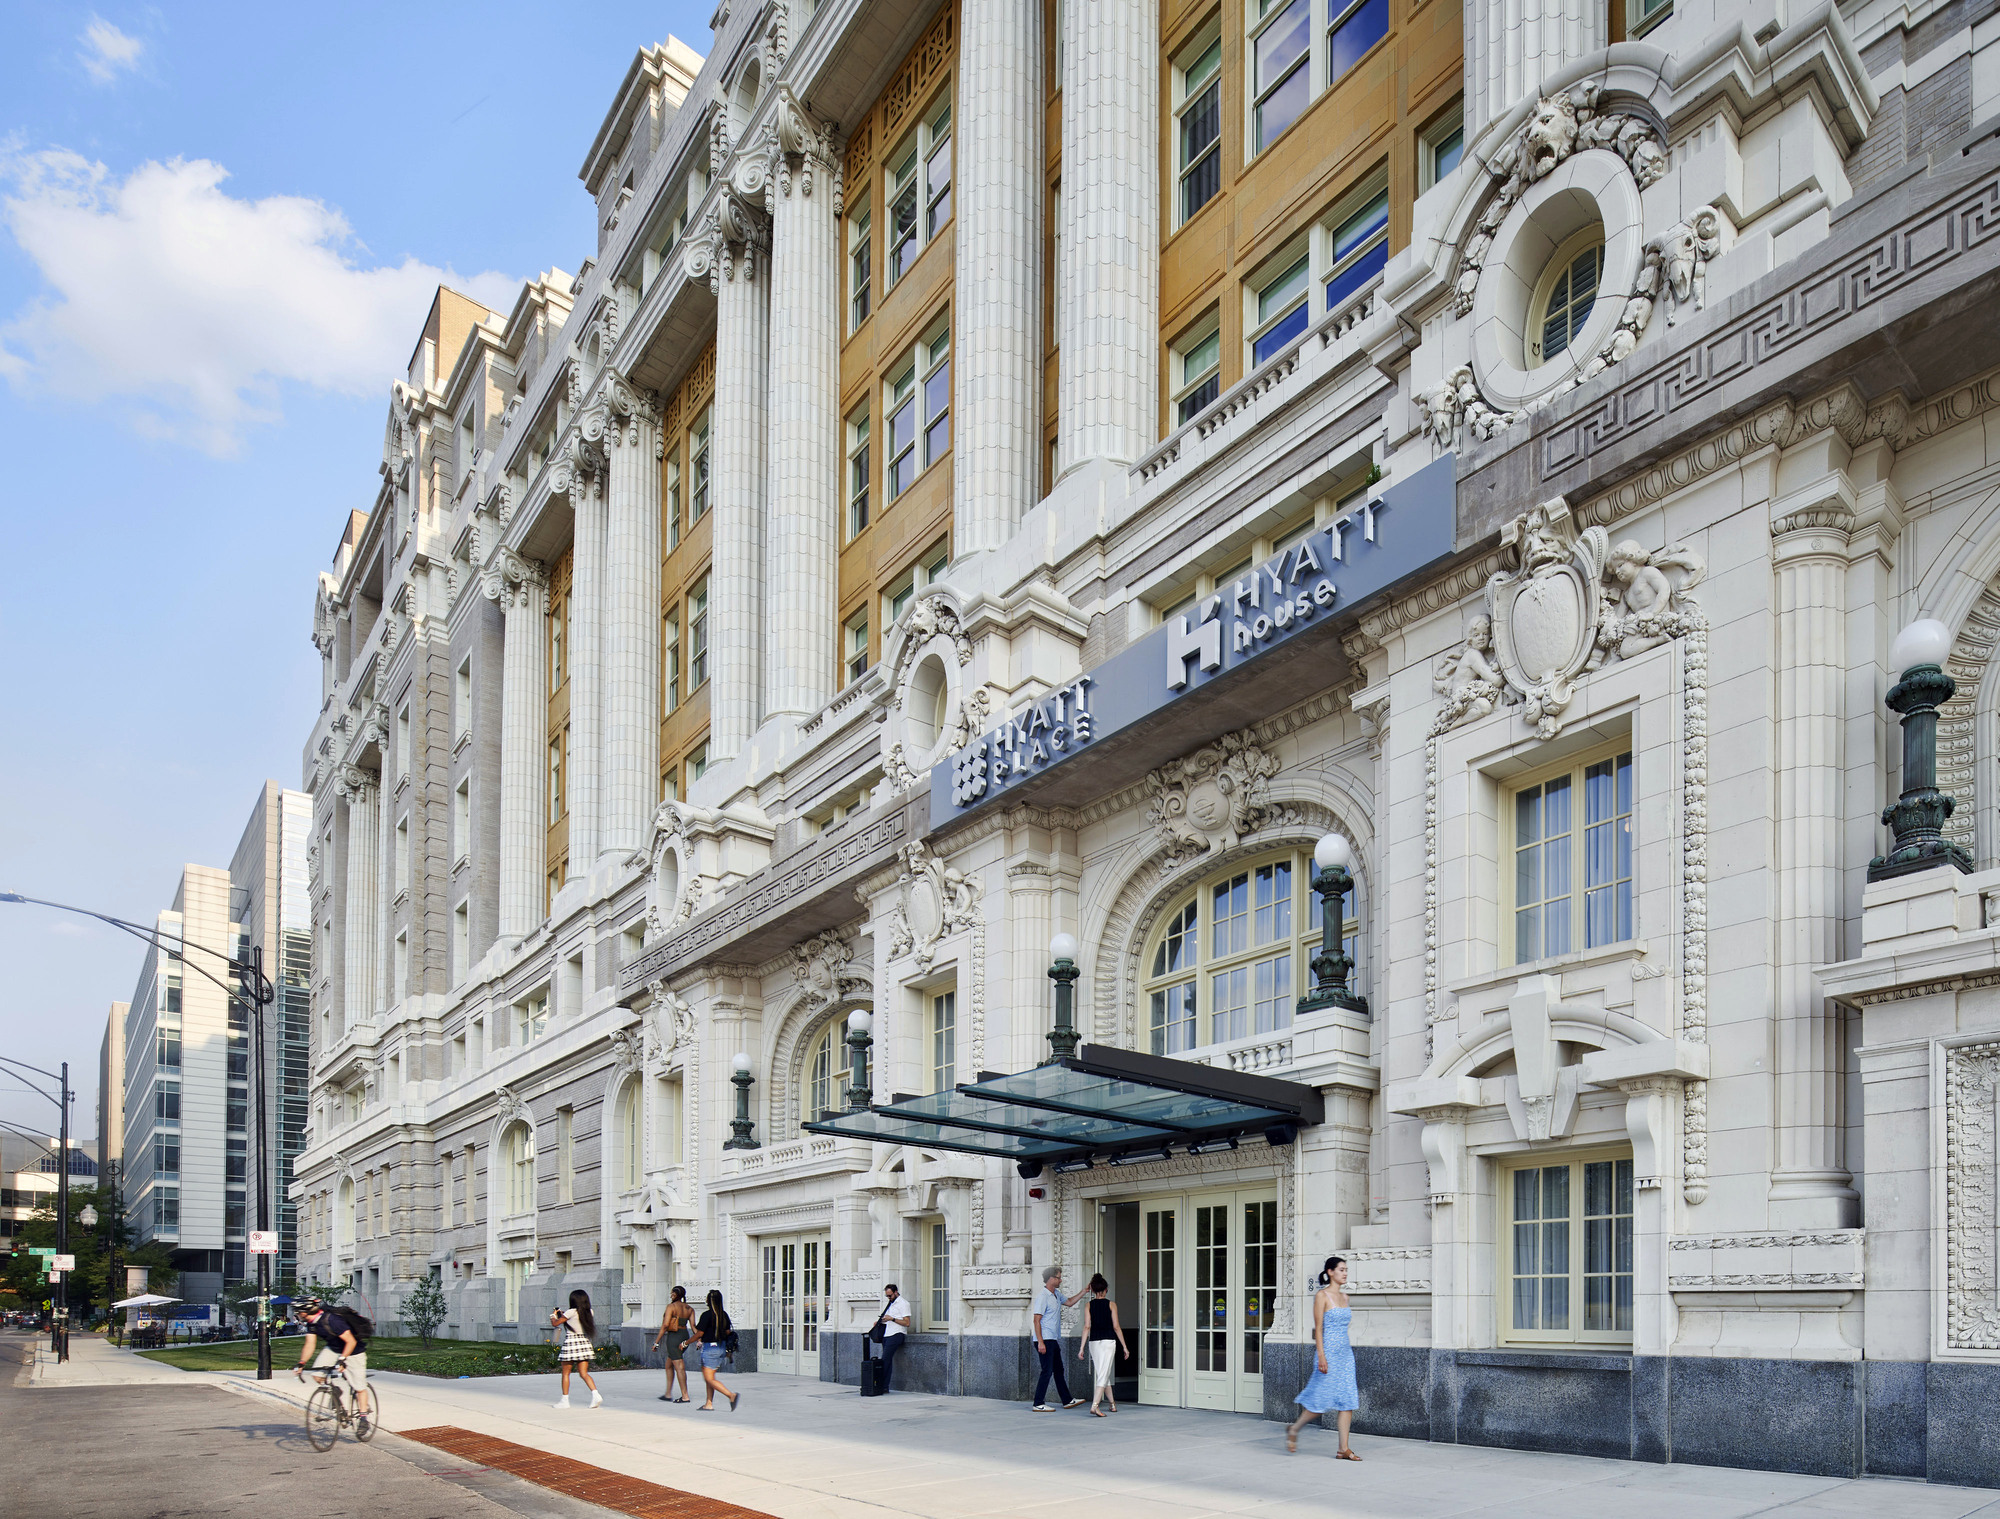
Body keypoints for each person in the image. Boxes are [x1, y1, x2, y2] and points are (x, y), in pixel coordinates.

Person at [1286, 1256, 1360, 1460]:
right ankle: (1294, 1429)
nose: (1345, 1273)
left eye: (1346, 1270)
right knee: (1319, 1402)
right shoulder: (1322, 1296)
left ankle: (1343, 1448)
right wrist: (1321, 1356)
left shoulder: (1345, 1297)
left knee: (1347, 1401)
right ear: (1330, 1272)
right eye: (1341, 1269)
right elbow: (1318, 1329)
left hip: (1345, 1355)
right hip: (1327, 1353)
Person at [291, 1296, 372, 1427]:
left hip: (353, 1351)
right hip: (334, 1348)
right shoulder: (312, 1323)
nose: (297, 1314)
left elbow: (351, 1341)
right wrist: (302, 1362)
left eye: (298, 1312)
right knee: (317, 1375)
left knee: (359, 1386)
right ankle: (335, 1391)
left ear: (306, 1311)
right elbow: (310, 1344)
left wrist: (342, 1360)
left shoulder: (332, 1320)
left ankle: (364, 1419)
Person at [1029, 1267, 1087, 1412]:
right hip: (1044, 1340)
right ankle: (1038, 1403)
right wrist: (1040, 1342)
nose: (1060, 1280)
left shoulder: (1056, 1294)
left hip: (1052, 1339)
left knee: (1059, 1370)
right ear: (1051, 1279)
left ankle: (1067, 1400)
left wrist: (1084, 1291)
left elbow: (1069, 1302)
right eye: (1058, 1277)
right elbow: (1036, 1320)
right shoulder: (1043, 1297)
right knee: (1046, 1371)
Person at [1078, 1274, 1129, 1417]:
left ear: (1093, 1290)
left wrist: (1082, 1347)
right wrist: (1124, 1346)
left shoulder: (1089, 1305)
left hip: (1094, 1342)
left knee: (1102, 1373)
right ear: (1106, 1289)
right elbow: (1116, 1326)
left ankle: (1112, 1404)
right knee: (1103, 1374)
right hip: (1108, 1342)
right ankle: (1095, 1405)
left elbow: (1086, 1327)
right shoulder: (1111, 1304)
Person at [551, 1288, 603, 1409]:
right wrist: (563, 1314)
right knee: (584, 1373)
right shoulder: (589, 1311)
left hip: (571, 1342)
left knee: (566, 1373)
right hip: (584, 1343)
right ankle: (595, 1394)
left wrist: (553, 1315)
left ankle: (565, 1400)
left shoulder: (571, 1312)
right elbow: (574, 1318)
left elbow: (555, 1323)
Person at [690, 1289, 740, 1412]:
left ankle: (731, 1395)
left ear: (709, 1301)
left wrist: (686, 1342)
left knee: (709, 1379)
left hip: (710, 1349)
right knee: (710, 1377)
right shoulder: (724, 1315)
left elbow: (699, 1333)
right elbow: (728, 1332)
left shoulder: (707, 1315)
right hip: (721, 1348)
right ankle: (708, 1403)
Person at [653, 1285, 694, 1403]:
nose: (670, 1295)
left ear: (675, 1295)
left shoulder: (671, 1307)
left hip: (674, 1337)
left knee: (679, 1366)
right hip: (684, 1335)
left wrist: (656, 1342)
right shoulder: (689, 1308)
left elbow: (665, 1325)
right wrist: (699, 1340)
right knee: (669, 1365)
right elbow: (693, 1326)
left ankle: (685, 1396)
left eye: (672, 1293)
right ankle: (668, 1393)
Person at [872, 1283, 912, 1393]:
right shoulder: (891, 1303)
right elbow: (888, 1319)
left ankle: (883, 1386)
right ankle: (883, 1386)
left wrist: (892, 1319)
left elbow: (907, 1323)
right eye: (887, 1296)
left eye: (890, 1295)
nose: (889, 1298)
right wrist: (881, 1321)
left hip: (897, 1334)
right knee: (886, 1360)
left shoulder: (903, 1304)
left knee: (885, 1360)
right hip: (887, 1334)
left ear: (895, 1292)